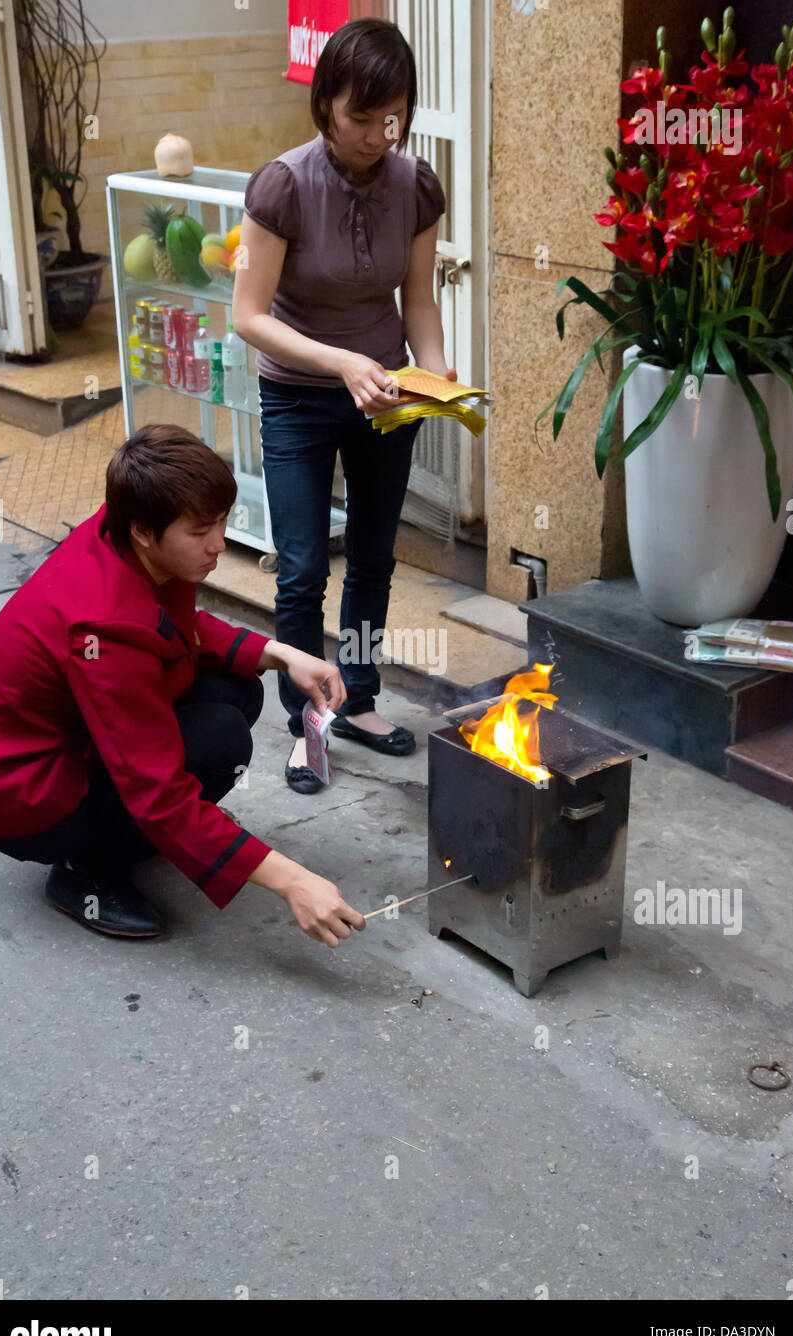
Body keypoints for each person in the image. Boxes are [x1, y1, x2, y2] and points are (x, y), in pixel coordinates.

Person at [0, 425, 365, 949]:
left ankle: (139, 835)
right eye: (200, 532)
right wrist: (295, 882)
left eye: (221, 522)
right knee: (220, 737)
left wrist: (282, 654)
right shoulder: (103, 631)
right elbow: (158, 791)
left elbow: (174, 625)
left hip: (67, 731)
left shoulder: (120, 530)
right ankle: (83, 870)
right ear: (146, 531)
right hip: (20, 793)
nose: (218, 545)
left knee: (238, 688)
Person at [234, 17, 454, 794]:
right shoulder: (284, 185)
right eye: (361, 116)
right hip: (299, 395)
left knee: (372, 557)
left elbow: (418, 301)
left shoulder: (416, 183)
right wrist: (342, 362)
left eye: (391, 116)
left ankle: (356, 698)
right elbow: (248, 314)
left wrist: (434, 376)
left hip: (383, 397)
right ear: (325, 102)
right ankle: (307, 724)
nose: (376, 134)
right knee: (300, 569)